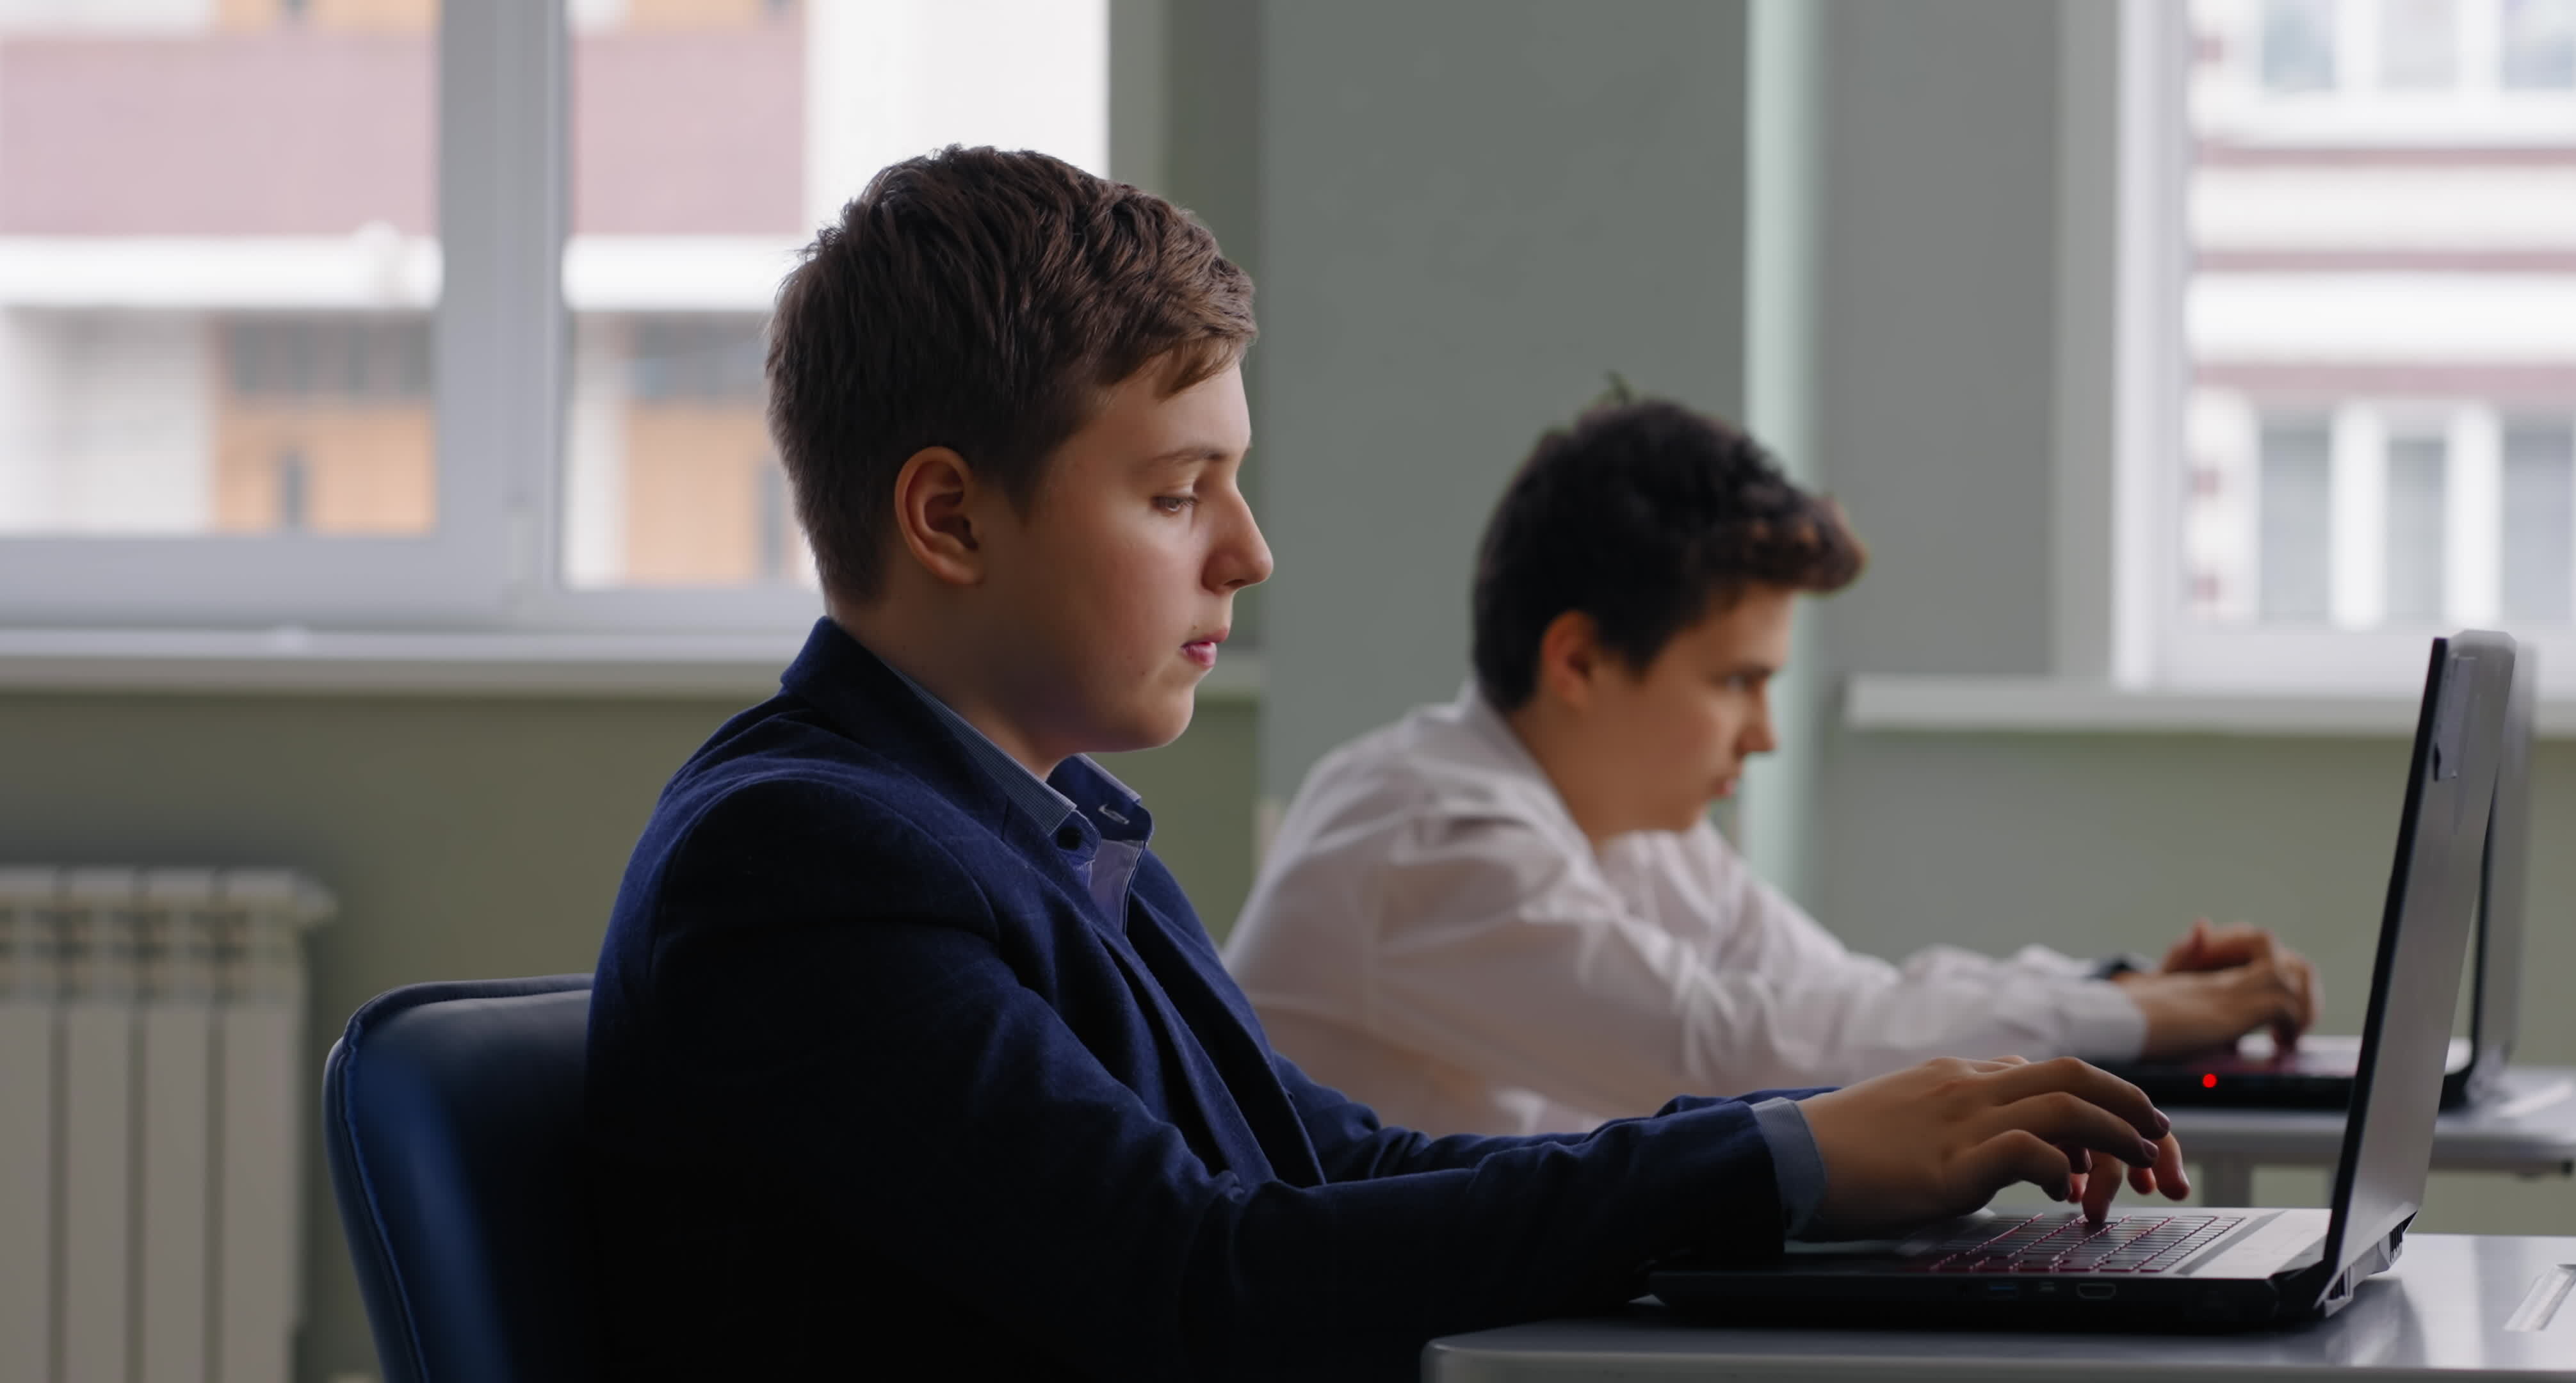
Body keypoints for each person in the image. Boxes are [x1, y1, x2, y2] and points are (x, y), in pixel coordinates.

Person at [583, 147, 2189, 1382]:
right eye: (1174, 494)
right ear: (948, 518)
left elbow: (1337, 1161)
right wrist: (1777, 1156)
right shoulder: (806, 864)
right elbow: (1196, 1280)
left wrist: (1808, 1159)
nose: (1249, 553)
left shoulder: (1043, 824)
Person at [1225, 398, 2324, 1138]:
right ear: (1580, 660)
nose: (1764, 736)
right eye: (1735, 683)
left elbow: (1842, 1003)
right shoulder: (1424, 836)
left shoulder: (1622, 829)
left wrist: (2124, 992)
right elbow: (1735, 1057)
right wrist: (2141, 1025)